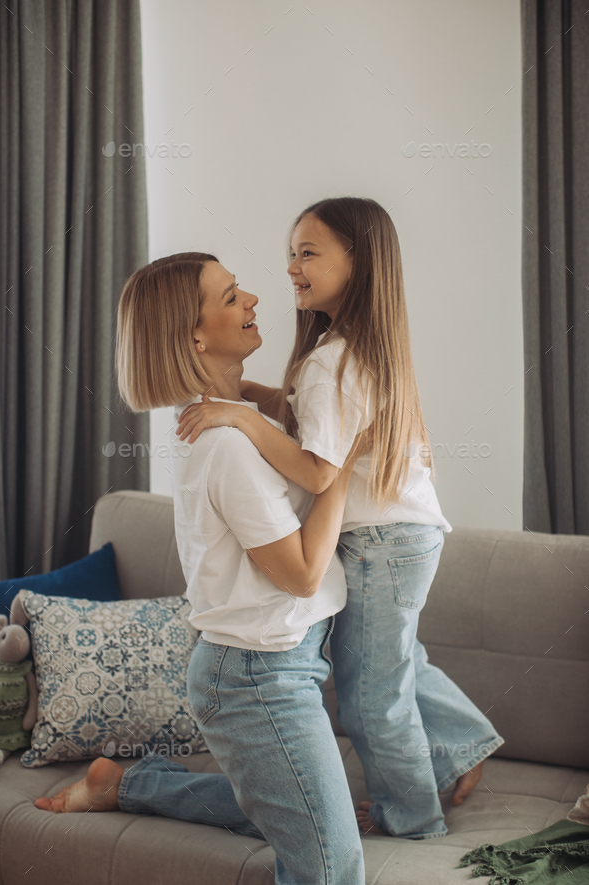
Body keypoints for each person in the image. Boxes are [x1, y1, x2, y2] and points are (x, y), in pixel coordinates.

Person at [175, 197, 505, 840]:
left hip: (382, 539)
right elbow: (314, 420)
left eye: (307, 252)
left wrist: (243, 415)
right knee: (386, 657)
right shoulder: (349, 349)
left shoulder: (332, 361)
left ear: (358, 261)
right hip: (402, 534)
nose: (290, 268)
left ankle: (414, 821)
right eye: (289, 253)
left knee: (369, 696)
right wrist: (254, 396)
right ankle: (464, 743)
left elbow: (319, 472)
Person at [35, 252, 366, 885]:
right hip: (254, 679)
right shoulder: (224, 447)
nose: (254, 302)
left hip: (284, 661)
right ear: (193, 334)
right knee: (332, 868)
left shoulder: (247, 421)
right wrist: (343, 461)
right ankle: (136, 786)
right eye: (231, 295)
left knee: (322, 824)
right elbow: (298, 574)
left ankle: (133, 784)